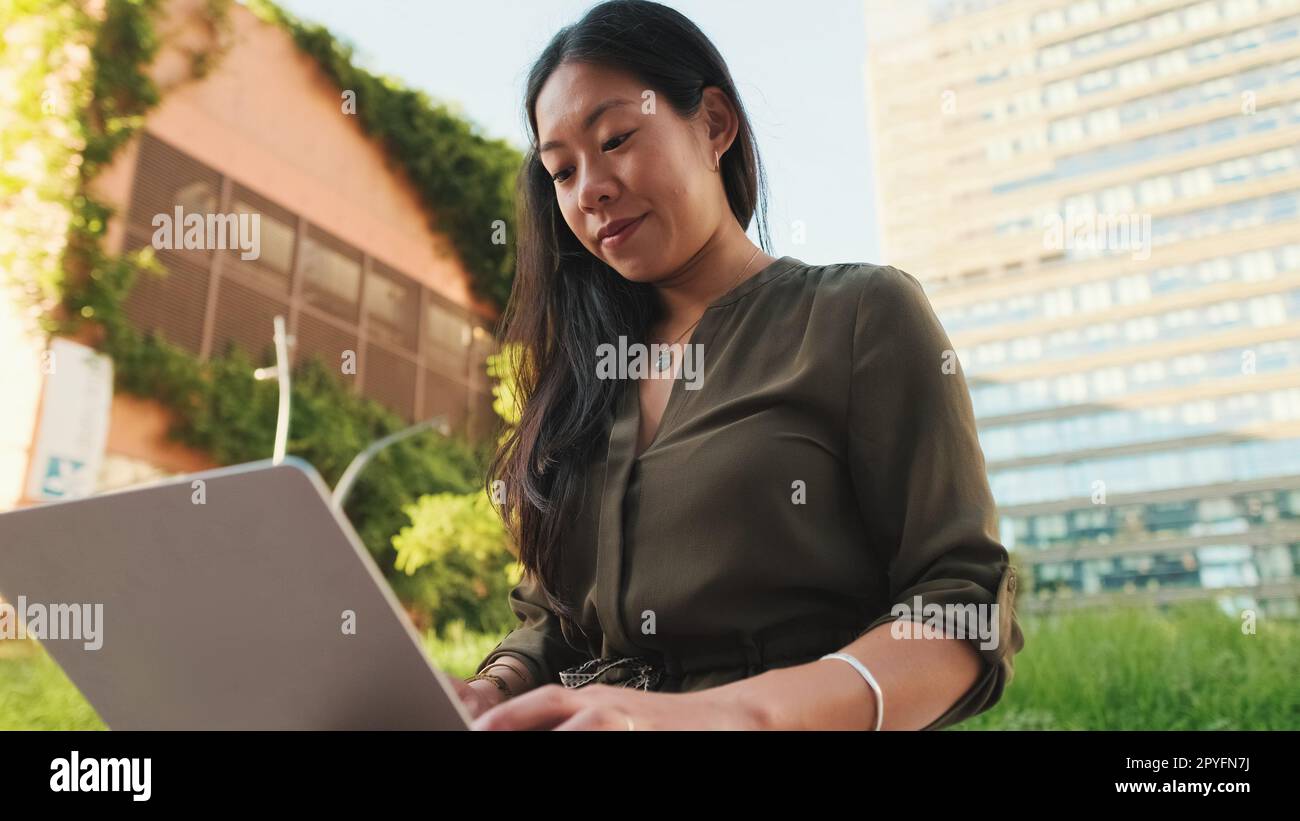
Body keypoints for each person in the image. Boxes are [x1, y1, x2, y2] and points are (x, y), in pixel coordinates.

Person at [448, 0, 1024, 730]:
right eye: (561, 172)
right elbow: (555, 623)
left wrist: (743, 713)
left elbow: (961, 606)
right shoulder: (585, 375)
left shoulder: (859, 314)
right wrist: (490, 689)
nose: (589, 188)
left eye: (617, 138)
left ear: (715, 123)